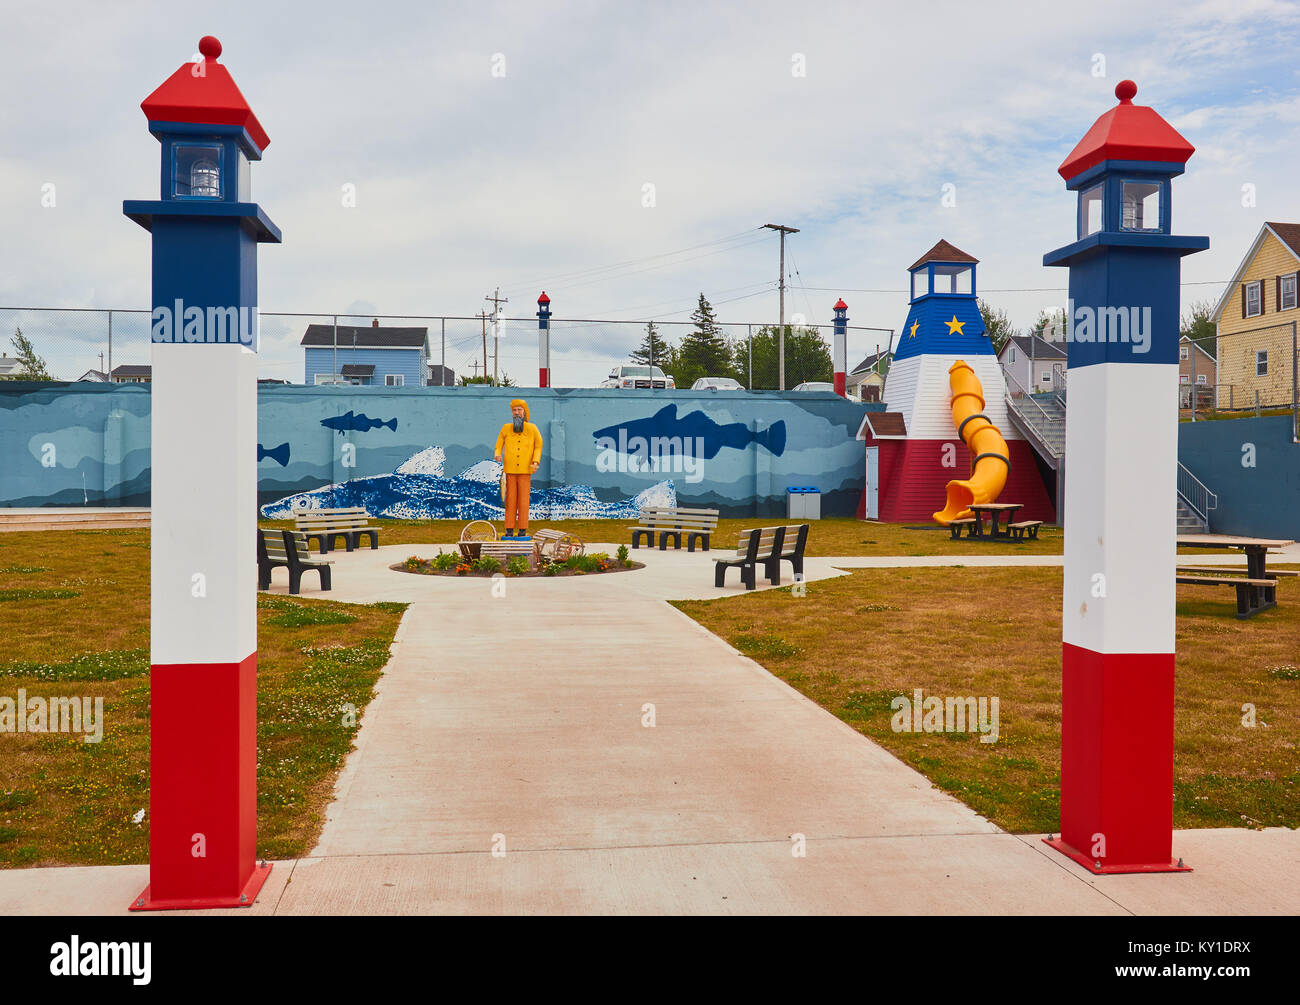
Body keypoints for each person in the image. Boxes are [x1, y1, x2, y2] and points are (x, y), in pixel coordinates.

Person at [494, 399, 543, 538]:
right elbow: (499, 444)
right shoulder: (506, 428)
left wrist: (535, 461)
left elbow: (538, 446)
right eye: (514, 410)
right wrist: (497, 454)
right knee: (510, 500)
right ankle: (509, 529)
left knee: (523, 500)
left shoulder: (532, 428)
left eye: (519, 410)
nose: (516, 413)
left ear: (525, 412)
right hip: (509, 470)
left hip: (525, 471)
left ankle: (522, 529)